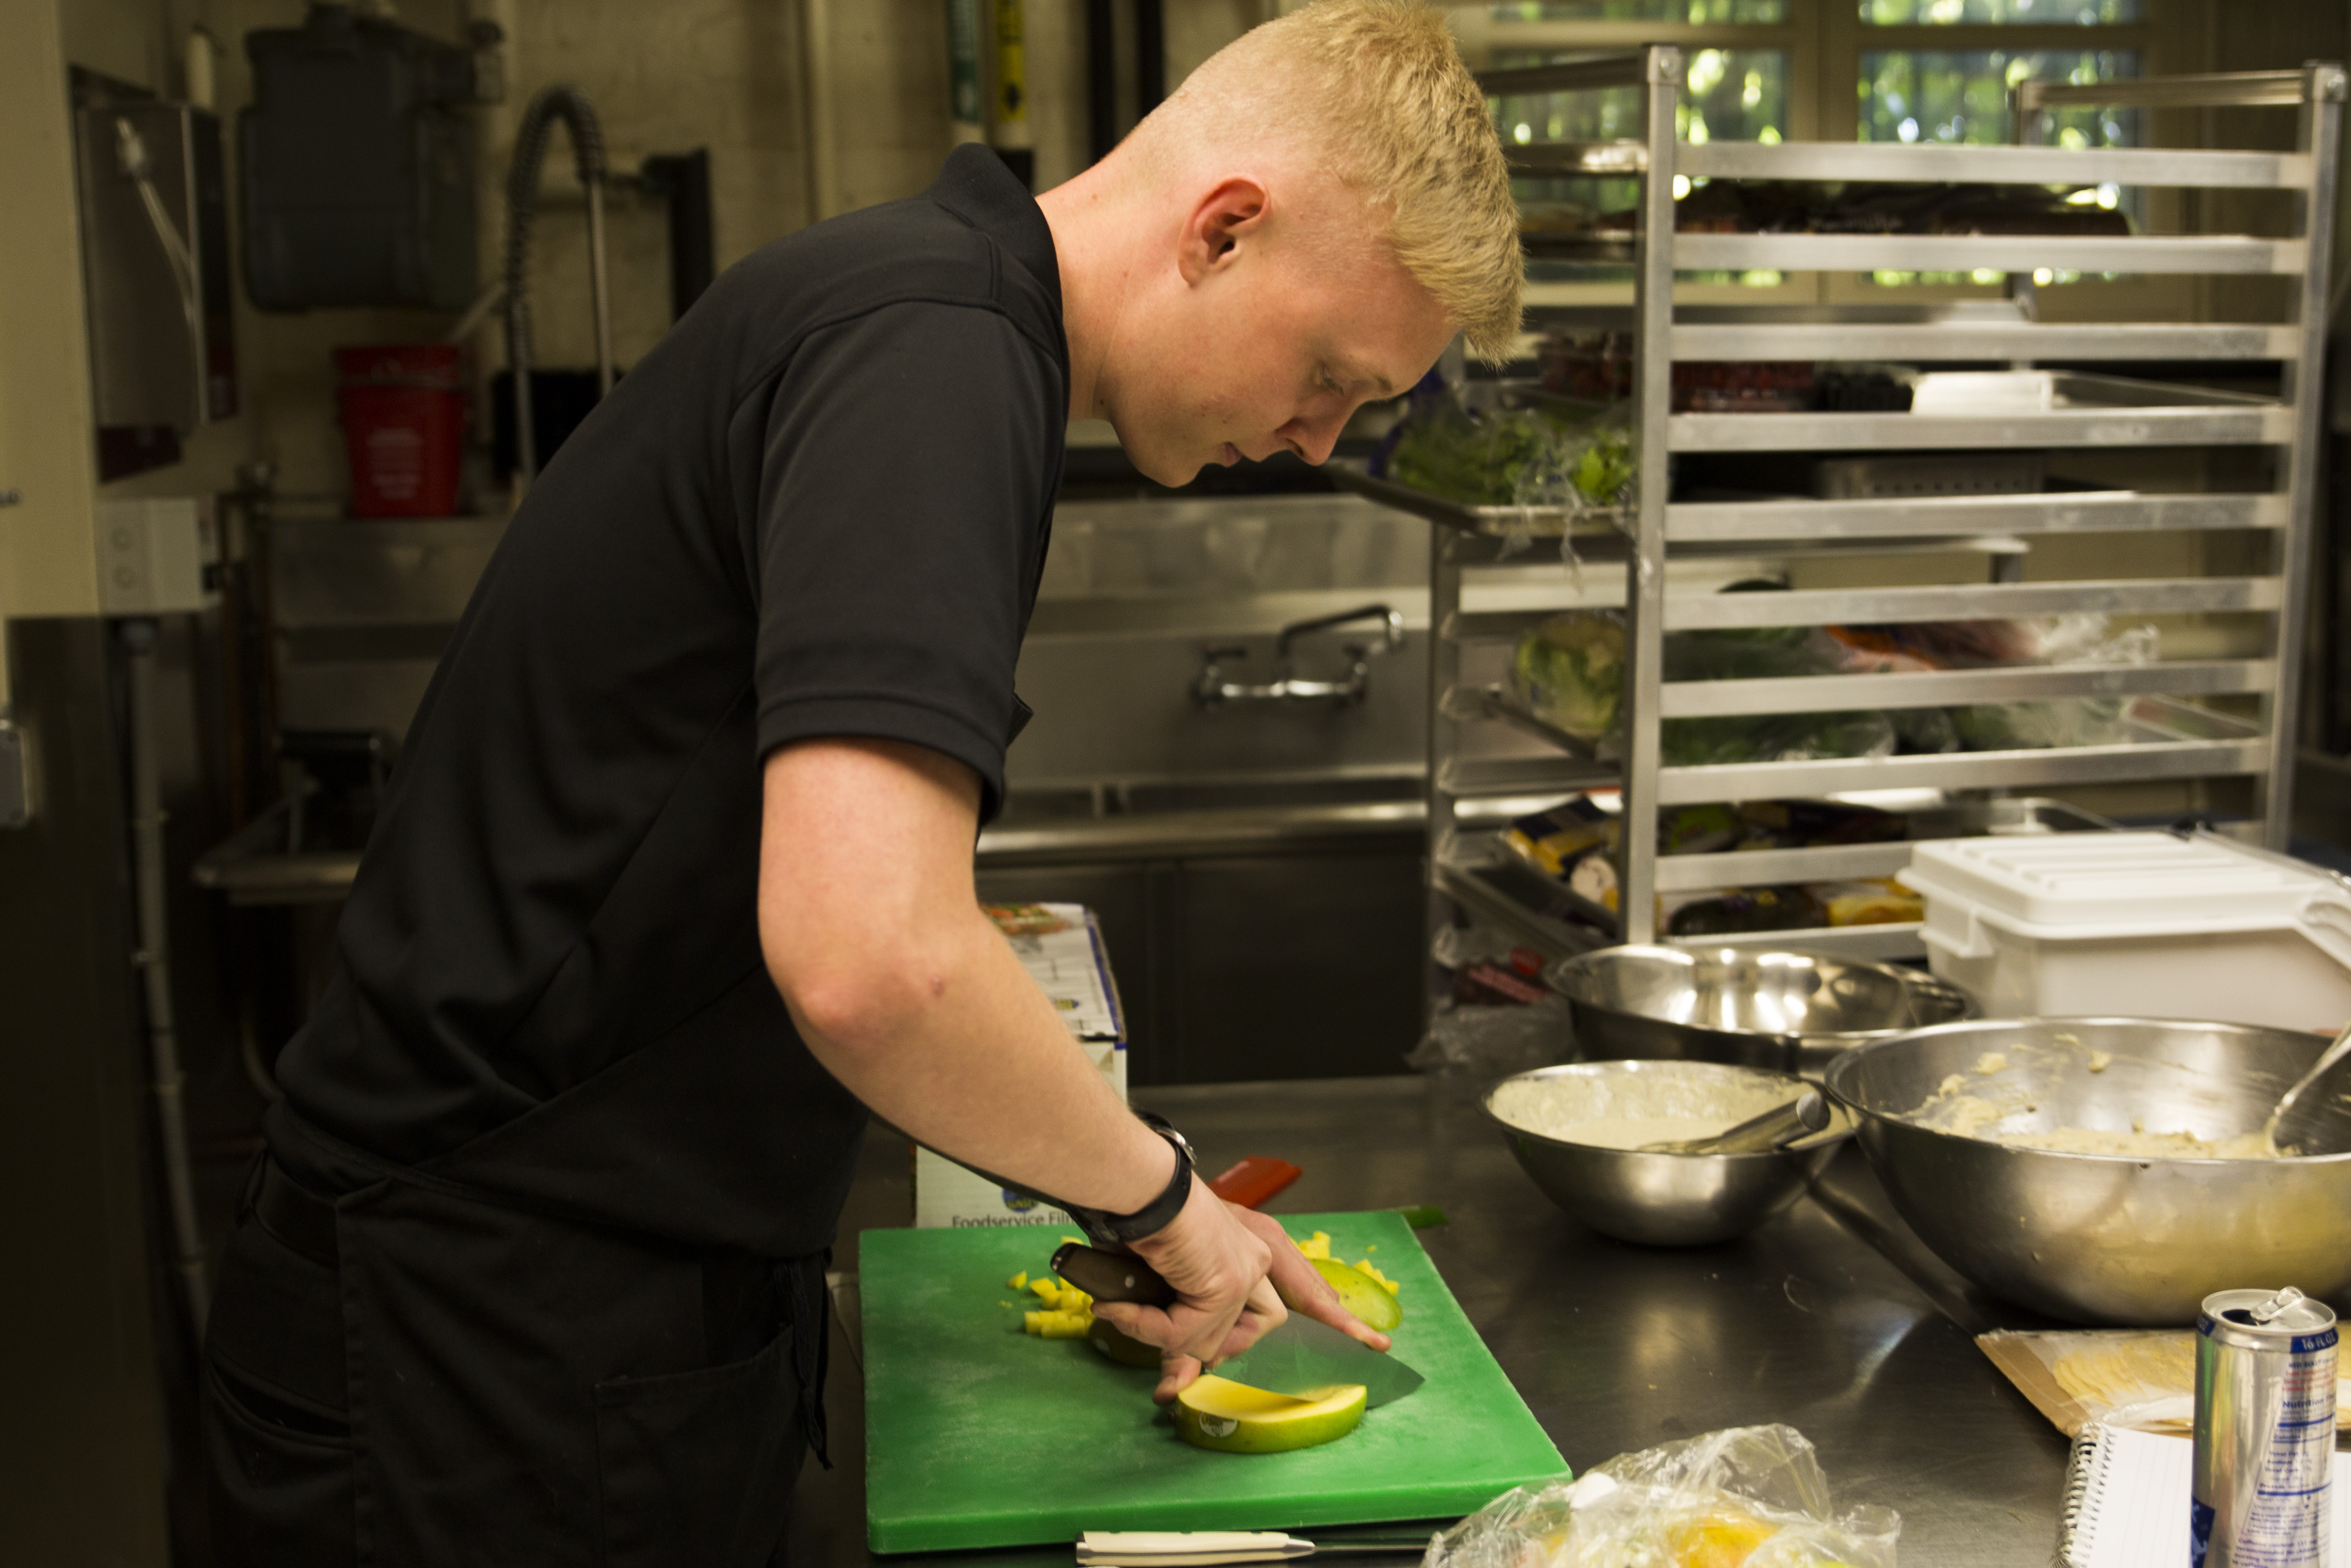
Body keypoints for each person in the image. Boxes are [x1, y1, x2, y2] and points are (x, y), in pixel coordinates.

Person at [201, 2, 1522, 1563]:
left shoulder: (935, 319)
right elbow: (872, 958)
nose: (1319, 439)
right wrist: (1170, 1206)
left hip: (549, 1321)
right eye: (1330, 372)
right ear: (1225, 229)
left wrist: (1127, 1204)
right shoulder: (938, 354)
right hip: (481, 1367)